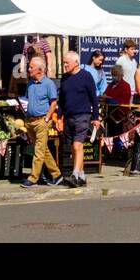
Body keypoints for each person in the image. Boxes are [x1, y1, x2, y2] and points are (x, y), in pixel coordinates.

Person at [59, 51, 101, 188]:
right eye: (64, 62)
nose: (65, 65)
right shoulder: (64, 78)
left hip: (83, 115)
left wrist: (95, 117)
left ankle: (75, 174)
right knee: (73, 147)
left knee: (78, 145)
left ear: (76, 62)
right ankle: (82, 175)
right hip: (68, 116)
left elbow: (93, 98)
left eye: (67, 63)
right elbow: (62, 100)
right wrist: (59, 117)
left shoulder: (86, 76)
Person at [20, 56, 61, 188]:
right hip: (30, 121)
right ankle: (57, 175)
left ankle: (33, 178)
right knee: (43, 149)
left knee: (38, 151)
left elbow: (54, 103)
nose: (29, 69)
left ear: (39, 69)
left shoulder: (48, 84)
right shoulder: (30, 83)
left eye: (31, 67)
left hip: (42, 121)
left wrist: (47, 118)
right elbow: (26, 99)